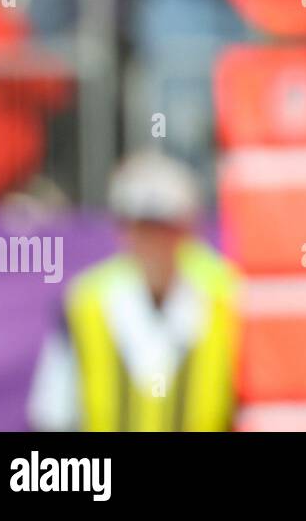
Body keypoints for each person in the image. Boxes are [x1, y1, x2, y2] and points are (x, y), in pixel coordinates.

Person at [27, 151, 239, 431]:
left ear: (190, 228)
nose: (154, 242)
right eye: (143, 228)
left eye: (165, 228)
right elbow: (53, 415)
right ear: (123, 231)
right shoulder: (85, 302)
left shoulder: (228, 296)